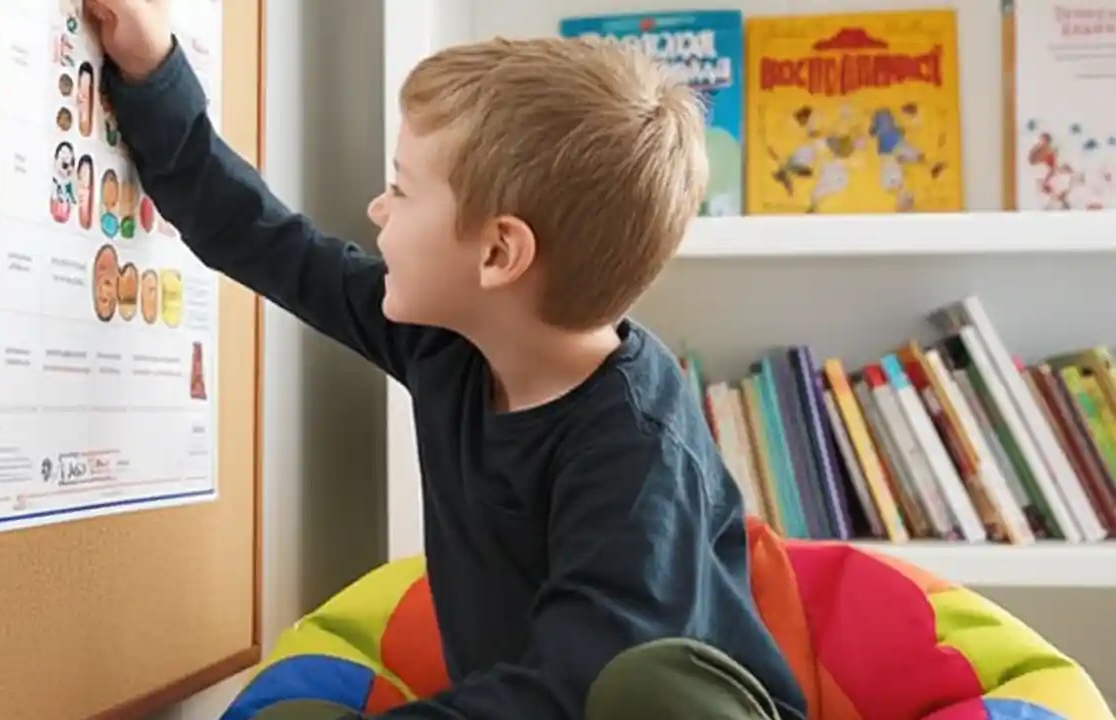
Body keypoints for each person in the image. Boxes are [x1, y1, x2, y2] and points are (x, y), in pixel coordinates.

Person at [84, 1, 807, 718]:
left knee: (645, 690)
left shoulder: (636, 448)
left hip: (628, 707)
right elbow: (266, 239)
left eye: (401, 188)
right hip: (524, 699)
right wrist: (153, 73)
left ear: (497, 253)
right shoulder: (448, 338)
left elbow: (574, 689)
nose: (377, 209)